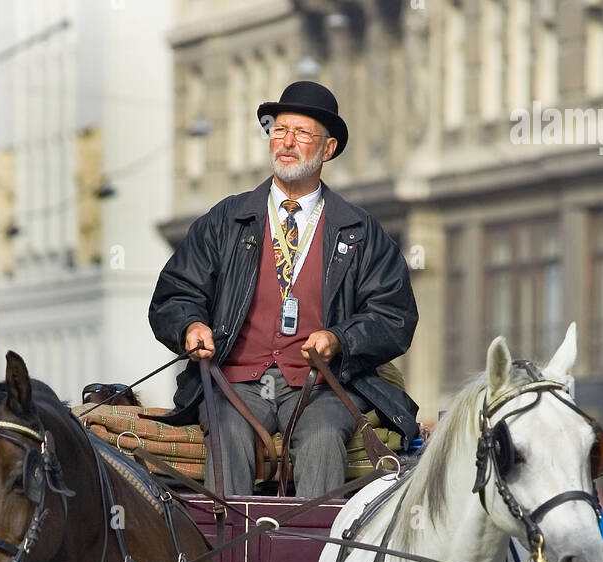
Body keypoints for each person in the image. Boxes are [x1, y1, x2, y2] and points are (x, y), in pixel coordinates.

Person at [148, 81, 419, 497]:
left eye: (302, 134)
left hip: (322, 385)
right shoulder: (226, 220)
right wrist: (190, 327)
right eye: (279, 131)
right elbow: (176, 293)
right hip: (233, 381)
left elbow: (394, 314)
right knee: (226, 432)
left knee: (324, 437)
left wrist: (339, 339)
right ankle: (230, 555)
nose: (287, 142)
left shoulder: (360, 230)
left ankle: (314, 554)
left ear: (327, 150)